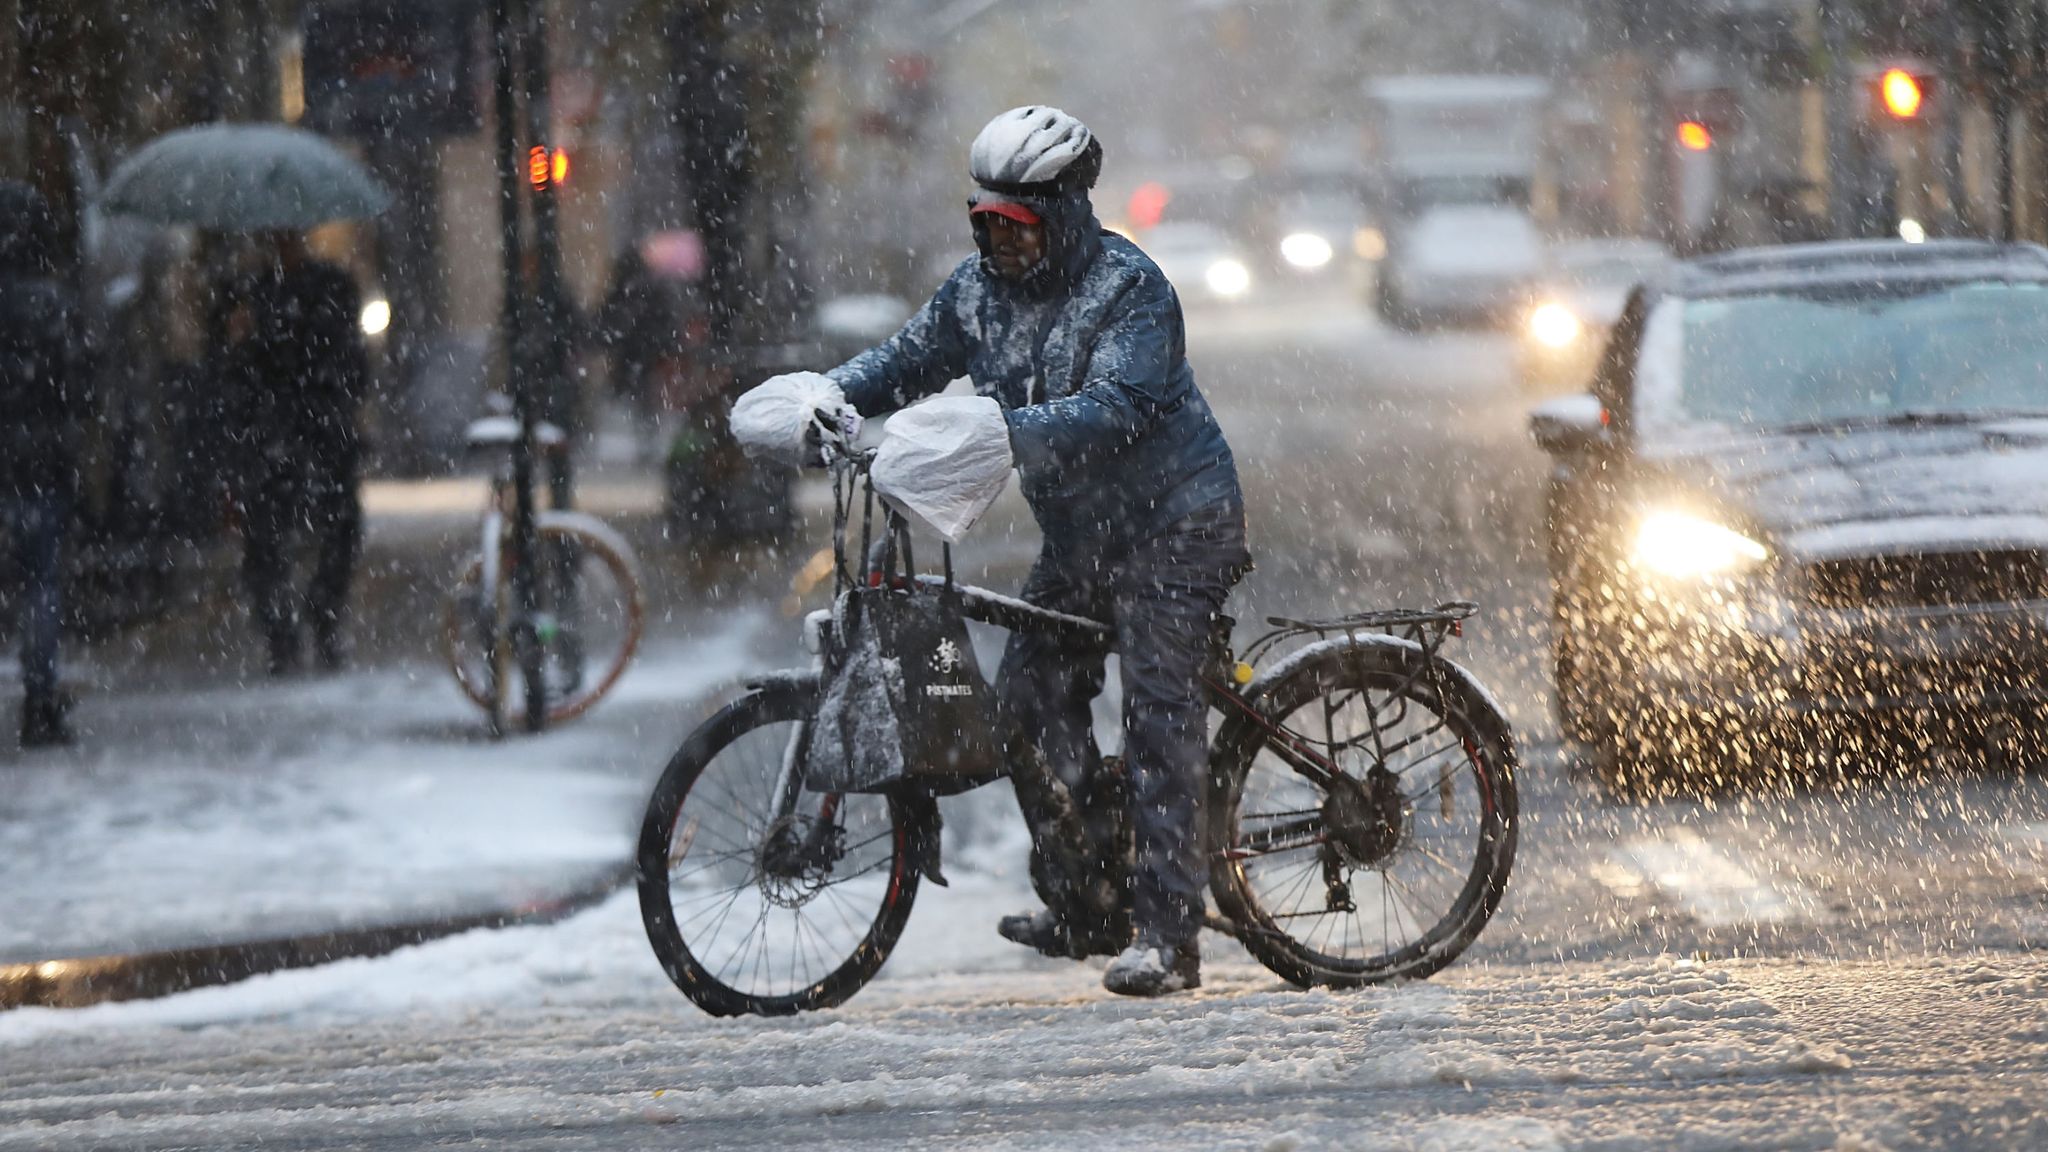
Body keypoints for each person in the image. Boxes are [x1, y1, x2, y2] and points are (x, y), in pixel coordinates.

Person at [754, 106, 1251, 996]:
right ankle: (1085, 898)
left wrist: (997, 435)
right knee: (1024, 695)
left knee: (1156, 714)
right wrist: (827, 397)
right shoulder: (976, 293)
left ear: (1061, 214)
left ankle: (1170, 936)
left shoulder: (1129, 290)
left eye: (1016, 227)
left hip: (1177, 522)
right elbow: (907, 359)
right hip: (1082, 537)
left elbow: (1120, 408)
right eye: (984, 223)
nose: (999, 244)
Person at [226, 231, 369, 674]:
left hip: (303, 432)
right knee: (279, 540)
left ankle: (302, 629)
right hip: (296, 433)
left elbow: (350, 364)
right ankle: (297, 630)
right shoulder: (262, 293)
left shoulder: (279, 292)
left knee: (320, 534)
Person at [0, 181, 81, 748]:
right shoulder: (51, 303)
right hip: (39, 463)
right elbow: (76, 382)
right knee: (40, 584)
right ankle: (40, 699)